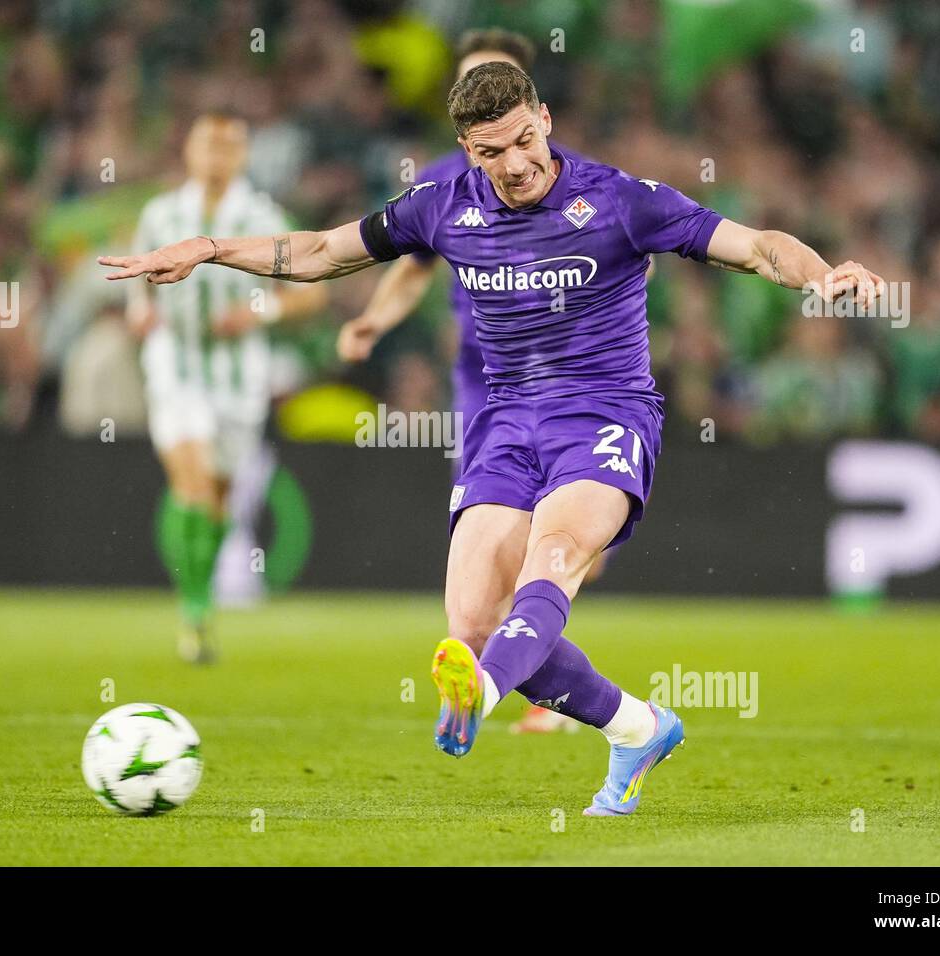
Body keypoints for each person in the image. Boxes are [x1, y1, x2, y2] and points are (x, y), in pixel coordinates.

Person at [99, 62, 882, 814]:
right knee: (473, 624)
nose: (513, 165)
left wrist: (821, 275)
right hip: (505, 425)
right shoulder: (442, 204)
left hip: (605, 417)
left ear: (545, 122)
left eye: (522, 142)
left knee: (556, 559)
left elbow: (755, 245)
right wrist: (207, 251)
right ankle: (639, 729)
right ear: (467, 151)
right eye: (490, 151)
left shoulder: (619, 201)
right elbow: (323, 251)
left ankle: (483, 691)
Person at [337, 29, 597, 736]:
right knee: (491, 545)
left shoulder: (576, 181)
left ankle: (537, 686)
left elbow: (631, 250)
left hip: (568, 382)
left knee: (560, 539)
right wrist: (374, 319)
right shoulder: (441, 186)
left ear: (534, 106)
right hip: (483, 381)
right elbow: (410, 261)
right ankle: (531, 679)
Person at [126, 112, 327, 664]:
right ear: (189, 152)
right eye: (206, 145)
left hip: (240, 378)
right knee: (190, 485)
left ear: (242, 156)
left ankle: (200, 603)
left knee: (216, 501)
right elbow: (140, 286)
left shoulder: (262, 218)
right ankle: (194, 609)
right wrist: (140, 314)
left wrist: (257, 309)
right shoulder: (160, 214)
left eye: (228, 146)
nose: (216, 156)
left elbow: (311, 293)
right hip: (177, 364)